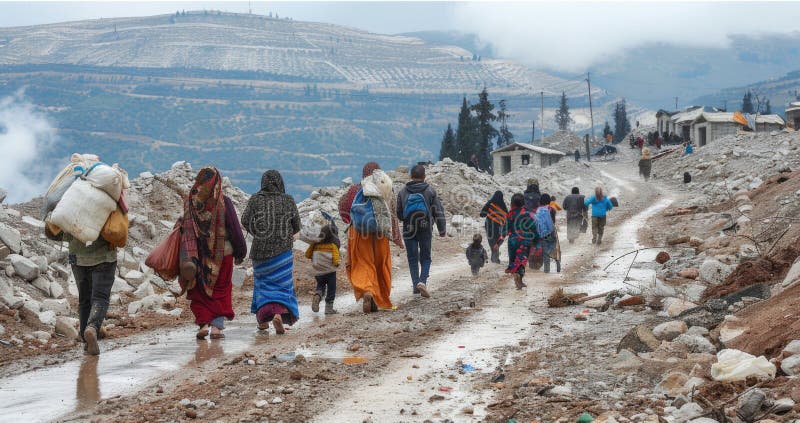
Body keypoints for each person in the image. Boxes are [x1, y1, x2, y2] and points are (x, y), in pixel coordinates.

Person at [182, 167, 248, 340]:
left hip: (197, 256)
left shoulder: (190, 202)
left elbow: (185, 229)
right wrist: (241, 251)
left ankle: (203, 324)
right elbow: (234, 229)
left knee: (200, 292)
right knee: (221, 290)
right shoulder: (223, 202)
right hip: (223, 255)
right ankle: (216, 328)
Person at [46, 217, 123, 355]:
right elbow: (118, 227)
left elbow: (55, 231)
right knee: (100, 297)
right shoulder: (105, 199)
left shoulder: (71, 198)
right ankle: (92, 328)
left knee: (84, 299)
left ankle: (87, 341)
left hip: (77, 257)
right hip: (103, 257)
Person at [338, 162, 403, 313]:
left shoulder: (355, 189)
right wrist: (395, 236)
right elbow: (391, 214)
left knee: (363, 262)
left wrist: (350, 220)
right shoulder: (385, 187)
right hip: (380, 234)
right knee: (381, 265)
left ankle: (367, 290)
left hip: (359, 232)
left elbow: (342, 206)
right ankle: (379, 297)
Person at [242, 170, 300, 334]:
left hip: (260, 252)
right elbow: (297, 225)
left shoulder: (255, 199)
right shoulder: (288, 200)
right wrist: (285, 234)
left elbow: (245, 220)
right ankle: (279, 316)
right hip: (283, 253)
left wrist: (258, 232)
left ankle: (262, 322)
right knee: (282, 286)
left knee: (263, 285)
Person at [396, 164, 447, 298]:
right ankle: (422, 281)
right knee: (426, 257)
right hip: (425, 228)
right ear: (424, 177)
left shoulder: (402, 191)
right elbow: (438, 211)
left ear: (411, 176)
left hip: (409, 228)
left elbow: (399, 214)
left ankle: (415, 286)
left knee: (412, 258)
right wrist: (442, 230)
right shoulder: (430, 190)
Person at [494, 193, 538, 289]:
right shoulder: (527, 213)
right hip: (524, 240)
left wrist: (498, 243)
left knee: (513, 261)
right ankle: (519, 278)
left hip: (512, 240)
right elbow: (534, 227)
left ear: (512, 203)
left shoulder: (510, 213)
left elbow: (504, 230)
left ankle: (517, 278)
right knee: (521, 260)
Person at [305, 224, 340, 315]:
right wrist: (336, 264)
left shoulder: (315, 243)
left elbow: (307, 255)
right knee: (331, 289)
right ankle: (328, 309)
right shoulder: (333, 245)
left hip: (318, 271)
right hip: (330, 271)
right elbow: (336, 258)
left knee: (320, 286)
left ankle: (318, 295)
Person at [479, 190, 507, 264]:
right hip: (499, 227)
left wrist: (489, 213)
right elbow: (506, 218)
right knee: (496, 242)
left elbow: (482, 214)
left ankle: (495, 259)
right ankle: (495, 259)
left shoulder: (491, 202)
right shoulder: (504, 207)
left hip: (489, 224)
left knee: (492, 242)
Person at [535, 194, 560, 273]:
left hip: (542, 234)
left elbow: (537, 222)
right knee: (555, 249)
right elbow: (553, 222)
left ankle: (547, 270)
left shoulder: (538, 210)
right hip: (551, 232)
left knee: (545, 253)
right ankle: (558, 266)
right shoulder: (551, 209)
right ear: (549, 201)